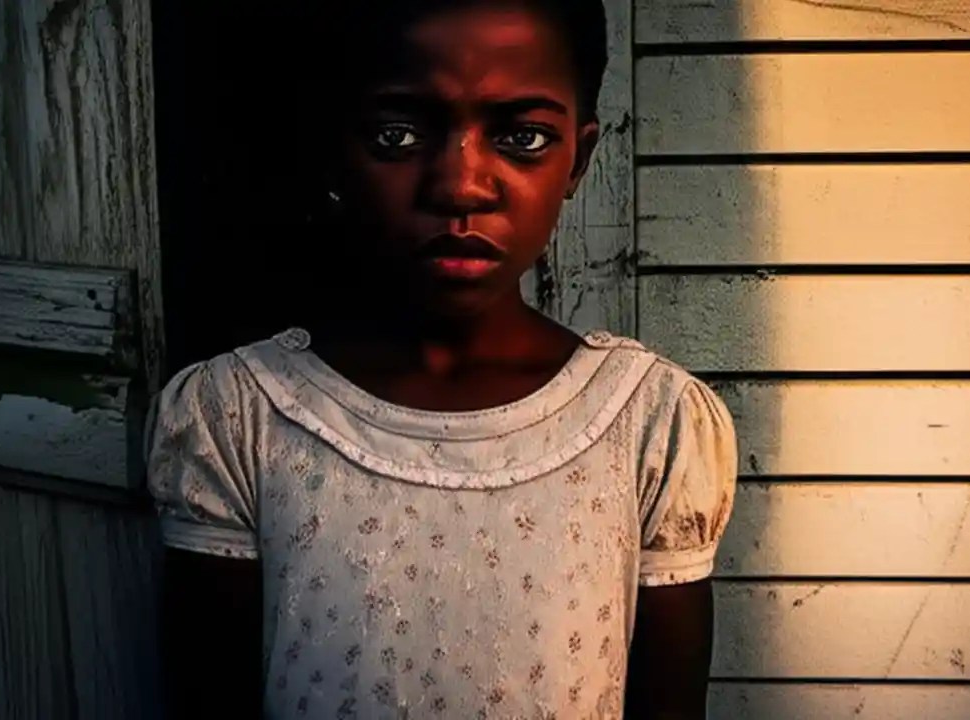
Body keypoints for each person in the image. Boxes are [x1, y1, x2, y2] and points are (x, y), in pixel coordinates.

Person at [145, 1, 738, 717]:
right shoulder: (238, 418)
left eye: (522, 137)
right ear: (337, 148)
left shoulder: (649, 422)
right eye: (398, 135)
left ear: (578, 159)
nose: (461, 186)